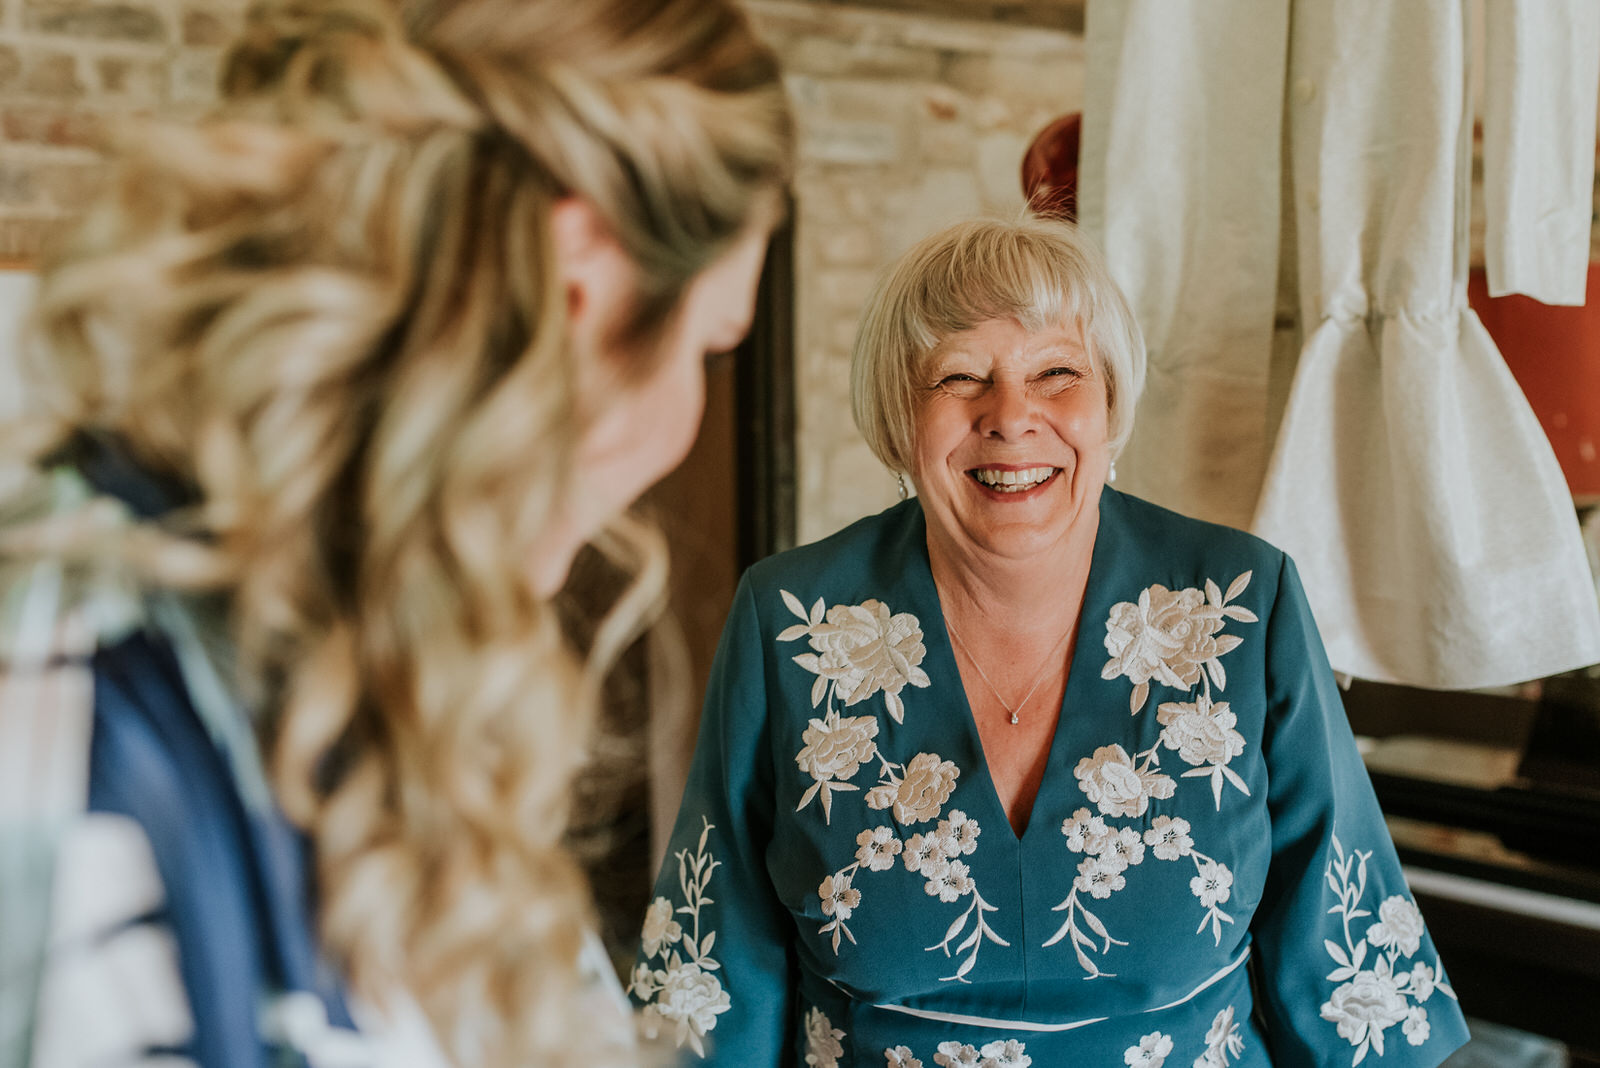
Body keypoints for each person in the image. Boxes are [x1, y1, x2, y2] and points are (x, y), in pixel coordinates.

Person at [0, 0, 791, 1064]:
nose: (690, 407)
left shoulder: (386, 671)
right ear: (575, 295)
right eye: (710, 343)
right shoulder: (71, 704)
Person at [627, 216, 1471, 1067]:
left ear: (1109, 402)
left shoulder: (1241, 605)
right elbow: (709, 991)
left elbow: (1355, 987)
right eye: (960, 376)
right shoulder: (792, 622)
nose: (1011, 417)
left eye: (1056, 372)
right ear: (899, 418)